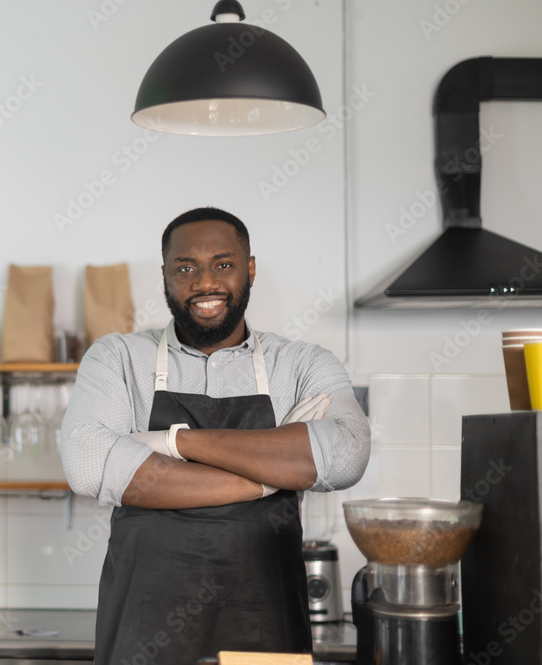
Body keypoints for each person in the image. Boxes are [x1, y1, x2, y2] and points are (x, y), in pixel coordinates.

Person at [60, 207, 371, 664]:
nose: (205, 283)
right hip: (145, 627)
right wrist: (272, 477)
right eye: (186, 268)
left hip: (266, 626)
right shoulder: (117, 357)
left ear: (250, 269)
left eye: (223, 264)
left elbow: (345, 456)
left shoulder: (302, 363)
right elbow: (89, 467)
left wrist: (173, 443)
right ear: (165, 276)